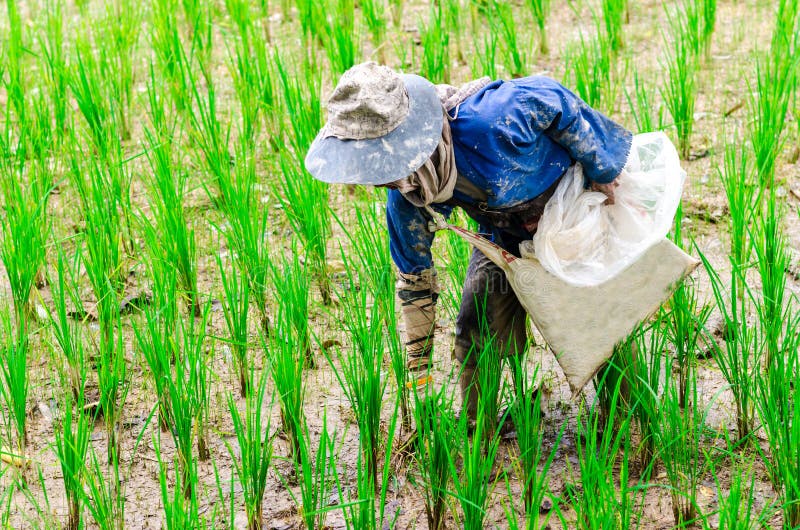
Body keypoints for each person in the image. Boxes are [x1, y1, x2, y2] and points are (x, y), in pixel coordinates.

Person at [305, 62, 632, 423]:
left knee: (596, 320)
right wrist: (419, 369)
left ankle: (628, 421)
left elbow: (553, 100)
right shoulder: (410, 194)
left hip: (571, 217)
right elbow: (415, 282)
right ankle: (480, 433)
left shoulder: (489, 122)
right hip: (503, 237)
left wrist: (602, 167)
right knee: (476, 322)